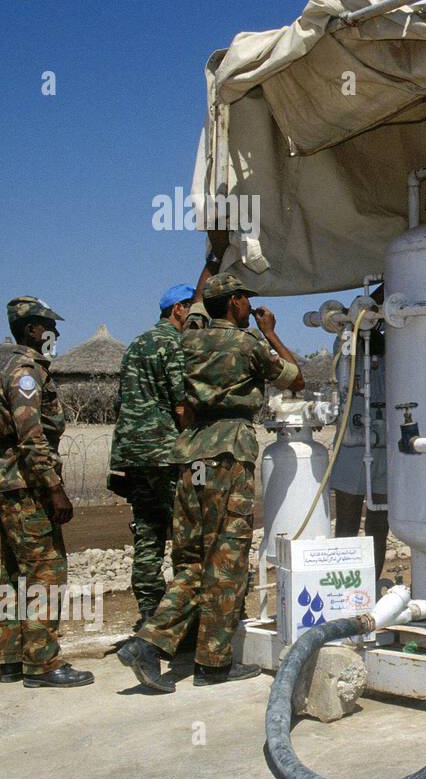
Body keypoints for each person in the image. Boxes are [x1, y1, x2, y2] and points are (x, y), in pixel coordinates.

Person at [117, 272, 304, 691]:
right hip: (228, 456)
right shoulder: (247, 343)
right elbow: (295, 378)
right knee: (226, 560)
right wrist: (270, 333)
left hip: (191, 459)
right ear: (235, 302)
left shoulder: (185, 342)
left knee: (192, 560)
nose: (247, 305)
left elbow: (180, 402)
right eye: (243, 299)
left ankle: (149, 644)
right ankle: (212, 664)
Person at [0, 296, 94, 687]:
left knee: (8, 572)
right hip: (26, 486)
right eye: (47, 326)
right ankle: (42, 663)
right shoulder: (25, 370)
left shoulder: (5, 362)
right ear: (32, 329)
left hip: (6, 484)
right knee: (45, 572)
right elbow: (32, 436)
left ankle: (8, 657)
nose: (53, 334)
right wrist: (54, 489)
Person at [110, 283, 194, 630]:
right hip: (164, 451)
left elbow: (122, 400)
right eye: (190, 309)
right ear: (178, 309)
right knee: (185, 533)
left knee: (147, 532)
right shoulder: (173, 343)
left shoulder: (136, 345)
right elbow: (180, 401)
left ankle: (149, 609)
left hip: (132, 451)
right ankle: (180, 617)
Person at [332, 289, 388, 577]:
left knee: (379, 519)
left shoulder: (393, 344)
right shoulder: (345, 345)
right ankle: (342, 583)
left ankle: (371, 583)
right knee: (347, 519)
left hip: (385, 442)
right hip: (352, 440)